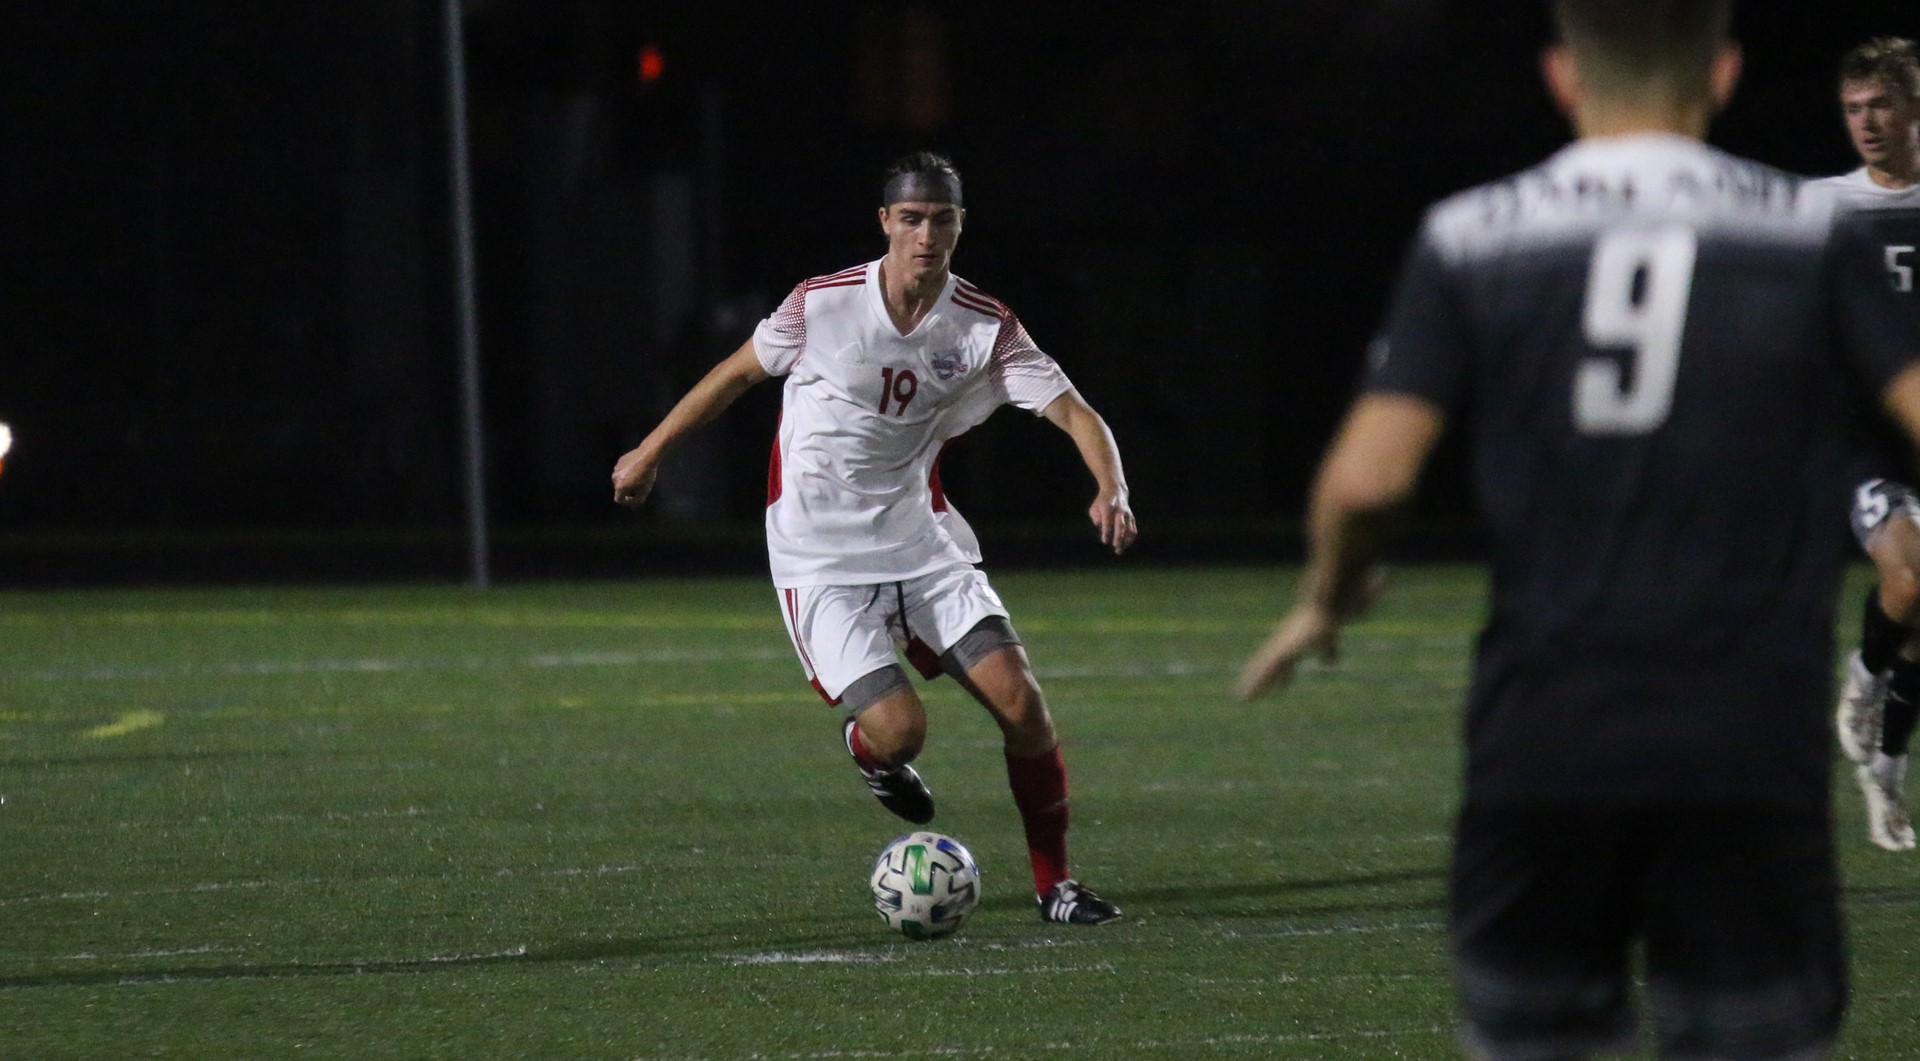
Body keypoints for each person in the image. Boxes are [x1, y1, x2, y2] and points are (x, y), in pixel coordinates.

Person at [1235, 2, 1920, 1057]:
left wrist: (1327, 597)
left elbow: (1368, 482)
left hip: (1546, 742)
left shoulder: (1471, 234)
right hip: (1743, 746)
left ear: (1562, 77)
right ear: (1724, 74)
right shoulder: (1806, 229)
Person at [611, 152, 1135, 926]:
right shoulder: (819, 306)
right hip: (819, 558)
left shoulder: (984, 327)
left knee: (1025, 706)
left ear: (960, 227)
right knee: (902, 731)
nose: (927, 235)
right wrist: (650, 449)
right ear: (886, 222)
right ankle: (871, 751)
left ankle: (1054, 884)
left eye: (943, 220)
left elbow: (1074, 410)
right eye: (913, 219)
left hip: (923, 546)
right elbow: (732, 376)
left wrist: (1111, 486)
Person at [1820, 36, 1920, 853]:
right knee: (1911, 569)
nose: (1868, 123)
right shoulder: (1823, 206)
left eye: (1882, 104)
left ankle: (1885, 767)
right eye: (1855, 109)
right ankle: (1863, 678)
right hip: (1866, 440)